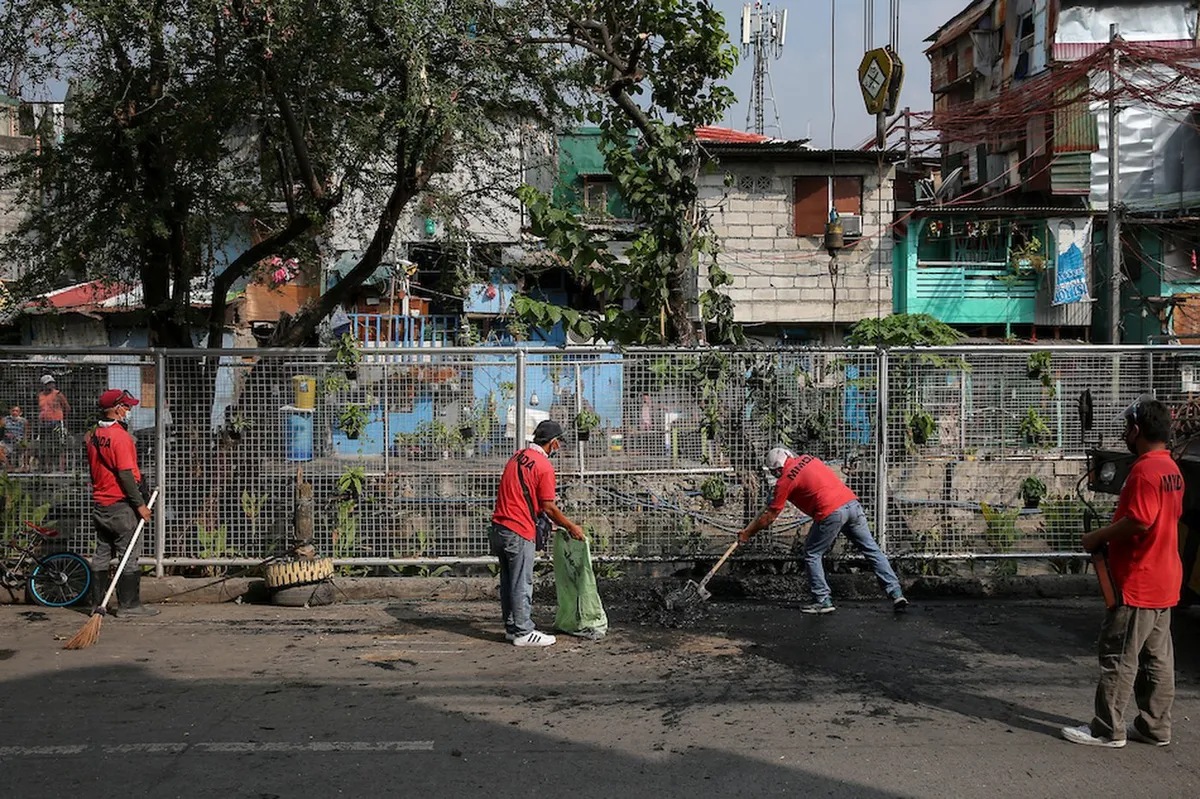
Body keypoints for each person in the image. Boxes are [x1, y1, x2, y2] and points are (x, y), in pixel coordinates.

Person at [1061, 395, 1182, 748]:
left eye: (1128, 428)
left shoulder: (1145, 470)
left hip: (1139, 580)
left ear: (1138, 430)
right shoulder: (1170, 468)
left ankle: (1106, 729)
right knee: (1157, 659)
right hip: (1164, 577)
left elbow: (1141, 520)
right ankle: (1154, 726)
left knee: (1119, 656)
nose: (1125, 434)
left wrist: (1097, 536)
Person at [737, 447, 908, 614]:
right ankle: (896, 593)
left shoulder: (784, 481)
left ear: (776, 470)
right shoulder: (809, 459)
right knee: (871, 549)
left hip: (831, 512)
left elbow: (770, 516)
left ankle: (822, 599)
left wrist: (748, 533)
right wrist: (777, 494)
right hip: (852, 504)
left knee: (812, 553)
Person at [490, 419, 584, 646]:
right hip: (518, 529)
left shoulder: (517, 456)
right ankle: (523, 632)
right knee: (522, 581)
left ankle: (513, 627)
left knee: (508, 580)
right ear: (552, 443)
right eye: (558, 442)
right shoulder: (544, 467)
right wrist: (571, 527)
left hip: (499, 526)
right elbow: (549, 506)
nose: (559, 447)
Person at [85, 388, 158, 617]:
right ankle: (129, 606)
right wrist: (140, 505)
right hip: (121, 504)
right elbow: (126, 474)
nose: (129, 409)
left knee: (102, 553)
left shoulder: (93, 435)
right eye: (126, 406)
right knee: (128, 555)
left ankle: (97, 603)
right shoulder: (120, 438)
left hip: (101, 503)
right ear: (116, 409)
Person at [36, 374, 71, 471]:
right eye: (48, 383)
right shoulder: (41, 395)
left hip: (56, 421)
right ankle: (48, 467)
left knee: (60, 445)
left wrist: (62, 418)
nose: (50, 385)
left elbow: (67, 407)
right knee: (46, 445)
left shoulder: (58, 394)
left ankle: (61, 469)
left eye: (51, 383)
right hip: (44, 422)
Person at [1, 405, 27, 470]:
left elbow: (26, 433)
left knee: (26, 448)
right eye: (13, 411)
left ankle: (25, 467)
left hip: (18, 441)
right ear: (10, 412)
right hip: (7, 442)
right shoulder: (5, 420)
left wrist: (24, 442)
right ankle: (9, 466)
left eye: (16, 411)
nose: (14, 413)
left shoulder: (24, 421)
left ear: (20, 413)